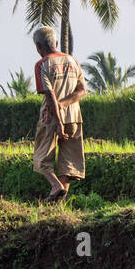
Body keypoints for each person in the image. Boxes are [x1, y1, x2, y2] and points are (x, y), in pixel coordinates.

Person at [31, 26, 88, 203]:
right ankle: (58, 204)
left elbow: (50, 97)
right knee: (69, 164)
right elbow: (82, 91)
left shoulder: (42, 65)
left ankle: (56, 187)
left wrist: (59, 121)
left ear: (38, 47)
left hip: (51, 119)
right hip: (75, 117)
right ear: (55, 43)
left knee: (41, 158)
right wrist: (64, 106)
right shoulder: (73, 61)